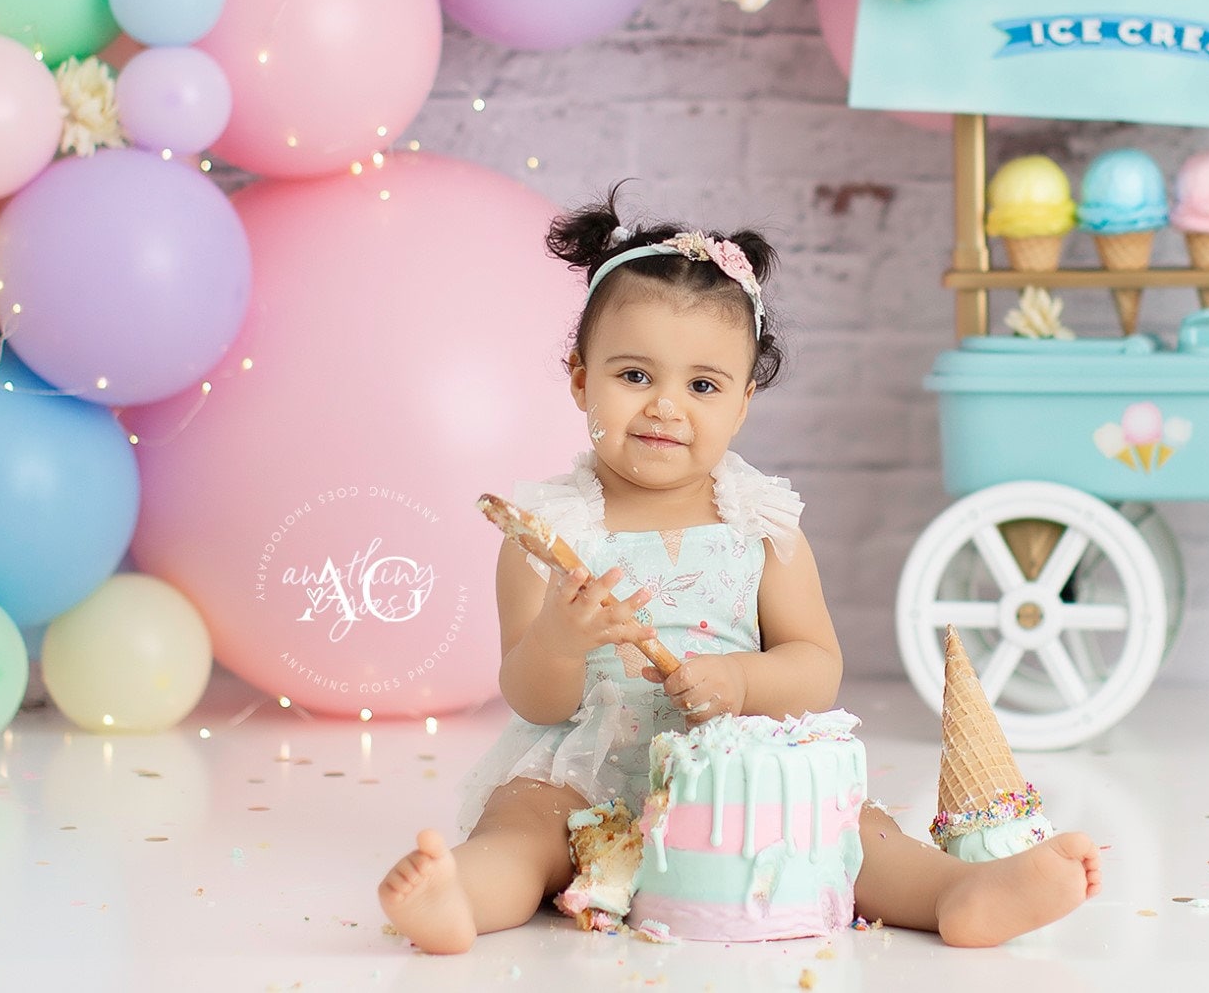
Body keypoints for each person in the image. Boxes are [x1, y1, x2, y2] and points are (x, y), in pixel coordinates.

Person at [379, 190, 1100, 952]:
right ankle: (460, 895)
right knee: (522, 828)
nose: (666, 407)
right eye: (634, 376)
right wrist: (559, 639)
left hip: (736, 779)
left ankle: (959, 892)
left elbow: (816, 667)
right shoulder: (549, 534)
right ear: (581, 379)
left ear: (743, 402)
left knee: (853, 829)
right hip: (584, 773)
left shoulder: (760, 527)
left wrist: (742, 680)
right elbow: (532, 698)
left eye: (702, 386)